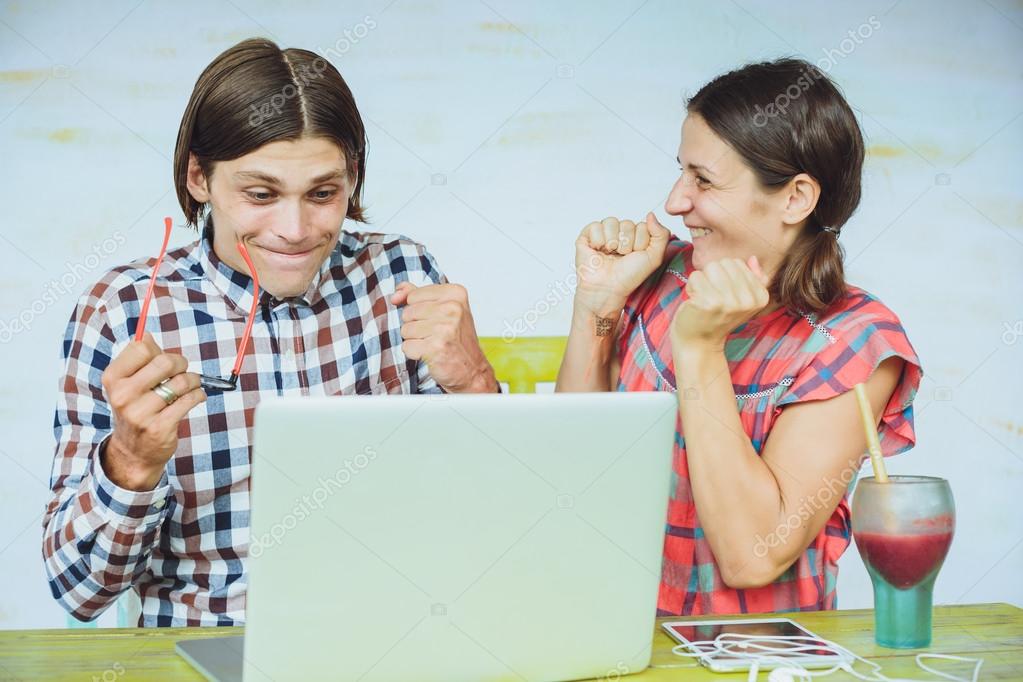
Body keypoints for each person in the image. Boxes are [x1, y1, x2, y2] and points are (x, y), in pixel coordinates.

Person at [43, 38, 498, 627]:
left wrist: (474, 383)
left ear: (352, 178)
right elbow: (78, 594)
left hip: (389, 635)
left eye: (323, 193)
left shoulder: (402, 274)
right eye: (261, 194)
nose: (296, 229)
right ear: (199, 177)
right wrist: (130, 463)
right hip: (207, 641)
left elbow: (491, 520)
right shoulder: (121, 310)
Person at [557, 58, 922, 615]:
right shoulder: (659, 272)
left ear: (796, 198)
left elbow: (752, 557)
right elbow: (575, 466)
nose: (675, 202)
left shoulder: (853, 340)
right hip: (614, 624)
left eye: (703, 180)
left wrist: (700, 348)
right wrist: (597, 305)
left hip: (753, 656)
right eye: (681, 171)